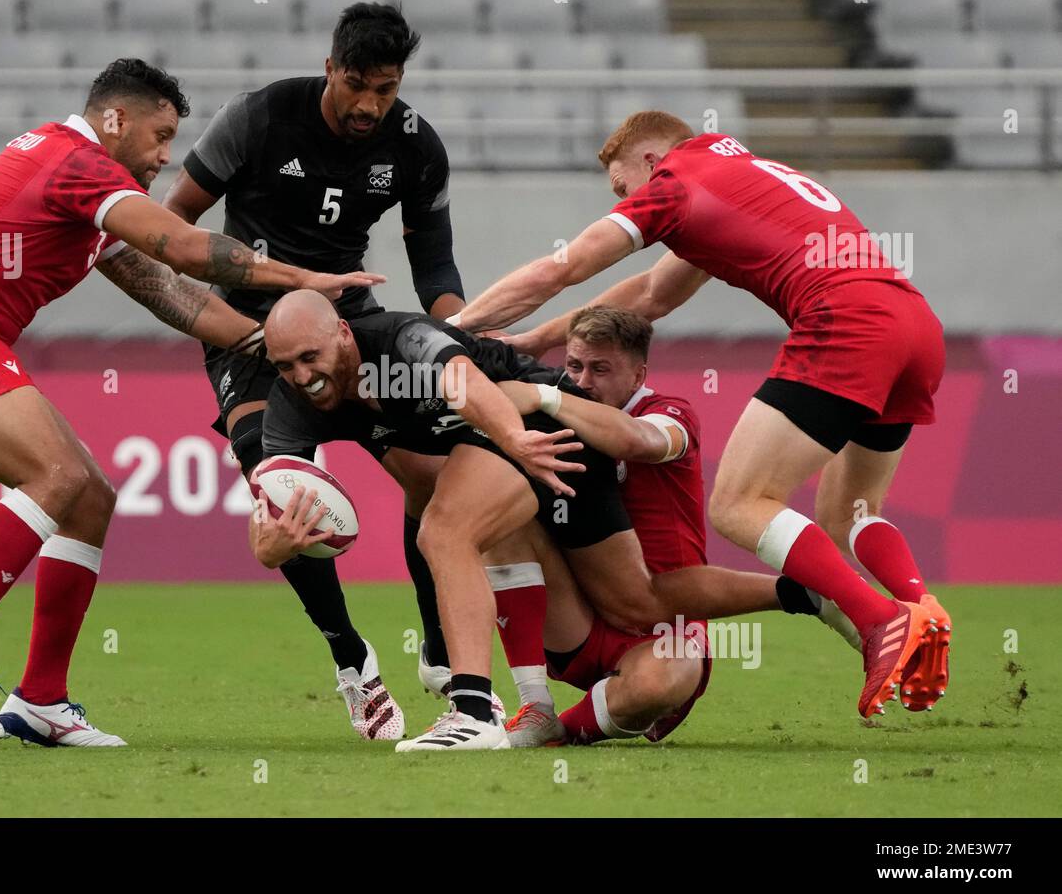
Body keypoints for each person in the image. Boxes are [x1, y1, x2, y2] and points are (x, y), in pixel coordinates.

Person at [0, 59, 374, 747]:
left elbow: (174, 293)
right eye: (159, 136)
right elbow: (190, 250)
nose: (165, 157)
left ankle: (42, 699)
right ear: (115, 118)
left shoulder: (78, 186)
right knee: (58, 478)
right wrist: (300, 279)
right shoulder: (76, 163)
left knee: (90, 498)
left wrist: (277, 344)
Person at [449, 111, 950, 719]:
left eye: (621, 185)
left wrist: (445, 333)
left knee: (740, 503)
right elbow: (651, 296)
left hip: (846, 323)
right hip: (913, 324)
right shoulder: (742, 176)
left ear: (652, 162)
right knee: (850, 513)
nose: (627, 202)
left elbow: (562, 269)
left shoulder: (676, 182)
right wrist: (534, 343)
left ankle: (876, 622)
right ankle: (916, 604)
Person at [158, 3, 469, 738]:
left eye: (385, 90)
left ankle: (436, 643)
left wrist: (458, 335)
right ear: (330, 66)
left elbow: (434, 263)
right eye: (356, 83)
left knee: (431, 475)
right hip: (252, 331)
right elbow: (175, 230)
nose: (369, 105)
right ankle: (352, 660)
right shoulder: (260, 117)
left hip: (353, 327)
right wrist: (228, 319)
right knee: (283, 494)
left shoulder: (418, 145)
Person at [253, 291, 673, 751]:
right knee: (450, 530)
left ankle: (477, 713)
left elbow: (464, 383)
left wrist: (514, 437)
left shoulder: (403, 340)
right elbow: (274, 490)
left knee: (637, 608)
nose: (302, 376)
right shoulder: (293, 402)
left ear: (344, 334)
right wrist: (268, 548)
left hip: (540, 422)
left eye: (310, 357)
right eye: (285, 365)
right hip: (492, 441)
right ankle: (505, 709)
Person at [483, 306, 858, 747]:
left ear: (639, 374)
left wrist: (546, 397)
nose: (583, 381)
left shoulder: (670, 414)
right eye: (574, 365)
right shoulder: (555, 410)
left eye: (601, 369)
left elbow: (639, 440)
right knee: (498, 514)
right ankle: (533, 705)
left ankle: (563, 729)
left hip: (663, 622)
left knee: (658, 683)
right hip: (577, 617)